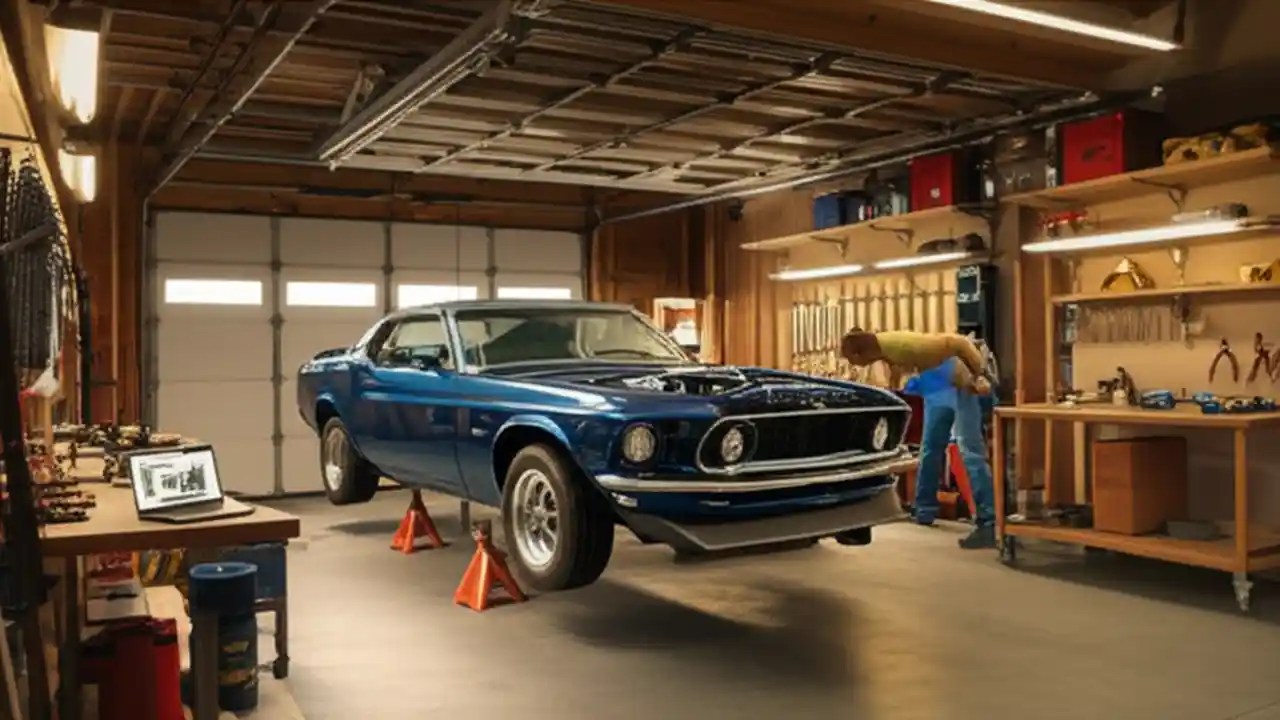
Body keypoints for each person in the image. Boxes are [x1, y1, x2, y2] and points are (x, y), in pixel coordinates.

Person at [841, 329, 997, 549]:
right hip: (937, 383)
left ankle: (989, 522)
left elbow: (959, 342)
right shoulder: (885, 350)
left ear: (859, 354)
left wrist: (980, 374)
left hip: (958, 378)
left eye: (853, 361)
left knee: (969, 450)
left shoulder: (902, 346)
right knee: (930, 447)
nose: (856, 367)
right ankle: (924, 510)